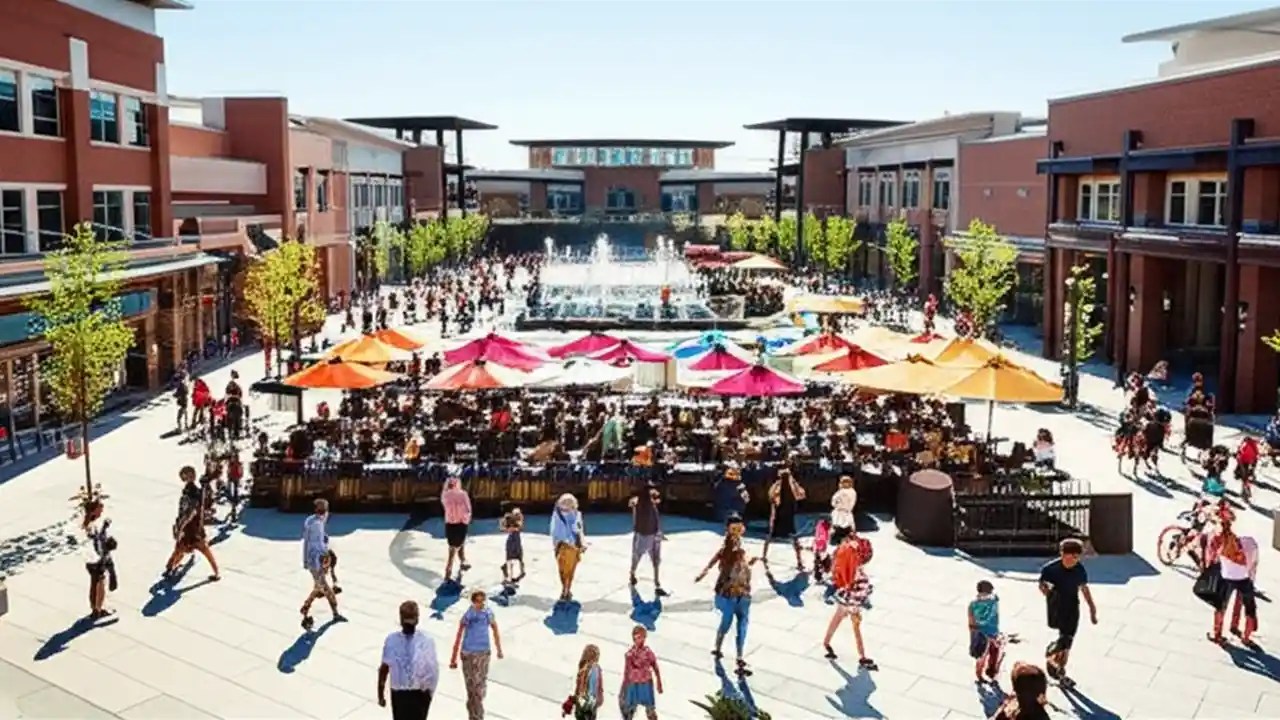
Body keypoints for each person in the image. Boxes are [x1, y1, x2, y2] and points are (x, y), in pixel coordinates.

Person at [695, 513, 756, 676]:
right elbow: (719, 559)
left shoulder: (741, 547)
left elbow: (742, 566)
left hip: (743, 592)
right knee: (726, 623)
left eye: (739, 528)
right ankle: (718, 647)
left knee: (742, 626)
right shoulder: (729, 548)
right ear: (728, 530)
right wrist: (704, 572)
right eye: (733, 529)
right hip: (729, 594)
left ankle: (740, 657)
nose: (737, 532)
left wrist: (750, 562)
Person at [1037, 538, 1097, 688]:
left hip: (1072, 606)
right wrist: (1046, 590)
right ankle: (1052, 655)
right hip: (1056, 606)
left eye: (1078, 557)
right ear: (1063, 554)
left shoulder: (1079, 570)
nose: (1075, 560)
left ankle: (1060, 671)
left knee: (1067, 641)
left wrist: (1092, 608)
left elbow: (1084, 588)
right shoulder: (1050, 569)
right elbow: (1042, 585)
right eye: (1073, 556)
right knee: (1064, 641)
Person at [1204, 505, 1260, 645]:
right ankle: (1246, 637)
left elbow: (1210, 559)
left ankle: (1217, 635)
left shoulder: (1217, 539)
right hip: (1244, 578)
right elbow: (1253, 558)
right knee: (1249, 608)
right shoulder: (1245, 539)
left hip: (1226, 577)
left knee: (1220, 607)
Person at [821, 530, 875, 669]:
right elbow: (862, 590)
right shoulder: (859, 572)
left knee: (837, 619)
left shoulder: (845, 560)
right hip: (852, 601)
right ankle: (862, 656)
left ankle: (826, 642)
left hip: (844, 597)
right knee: (856, 627)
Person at [379, 600, 439, 720]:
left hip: (403, 694)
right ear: (417, 619)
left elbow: (384, 669)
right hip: (417, 693)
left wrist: (380, 694)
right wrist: (429, 693)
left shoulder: (392, 640)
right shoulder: (427, 640)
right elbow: (433, 672)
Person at [449, 590, 503, 720]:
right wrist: (453, 657)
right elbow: (459, 634)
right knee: (472, 686)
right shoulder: (469, 615)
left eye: (482, 601)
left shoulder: (488, 613)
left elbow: (495, 629)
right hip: (468, 653)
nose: (480, 604)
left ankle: (475, 712)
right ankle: (475, 715)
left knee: (479, 685)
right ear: (473, 602)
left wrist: (499, 649)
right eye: (478, 601)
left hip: (483, 652)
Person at [163, 465, 221, 581]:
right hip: (194, 527)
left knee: (183, 548)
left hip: (191, 528)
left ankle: (170, 568)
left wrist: (181, 526)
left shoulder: (192, 492)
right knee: (200, 549)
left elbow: (190, 513)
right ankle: (216, 572)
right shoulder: (191, 492)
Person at [300, 498, 343, 629]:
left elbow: (312, 542)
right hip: (316, 561)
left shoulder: (314, 521)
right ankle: (335, 613)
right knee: (326, 589)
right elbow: (311, 543)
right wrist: (309, 560)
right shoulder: (315, 524)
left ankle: (306, 607)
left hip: (317, 560)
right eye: (325, 510)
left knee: (319, 587)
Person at [762, 468, 806, 571]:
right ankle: (799, 561)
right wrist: (794, 483)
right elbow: (802, 495)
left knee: (769, 537)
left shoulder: (778, 489)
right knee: (794, 540)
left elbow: (770, 496)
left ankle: (764, 556)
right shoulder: (792, 489)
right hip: (788, 518)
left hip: (778, 518)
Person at [619, 625, 663, 720]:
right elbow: (626, 672)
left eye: (640, 637)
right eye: (636, 638)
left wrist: (659, 682)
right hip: (633, 684)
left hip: (645, 683)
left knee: (650, 709)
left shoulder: (647, 652)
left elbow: (655, 666)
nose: (638, 640)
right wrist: (624, 688)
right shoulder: (630, 654)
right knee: (629, 710)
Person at [628, 482, 665, 595]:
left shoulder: (643, 502)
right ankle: (634, 574)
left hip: (649, 534)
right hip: (645, 534)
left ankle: (656, 582)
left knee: (650, 559)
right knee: (644, 558)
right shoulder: (641, 503)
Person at [82, 499, 116, 619]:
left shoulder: (88, 522)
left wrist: (104, 528)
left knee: (95, 583)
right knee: (99, 585)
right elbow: (97, 542)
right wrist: (107, 545)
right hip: (96, 560)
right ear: (94, 510)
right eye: (100, 509)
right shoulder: (91, 525)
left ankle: (95, 608)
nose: (102, 511)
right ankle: (98, 610)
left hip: (90, 559)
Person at [551, 494, 586, 603]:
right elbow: (579, 530)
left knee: (563, 570)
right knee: (569, 571)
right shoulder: (575, 514)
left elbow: (554, 531)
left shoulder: (557, 514)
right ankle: (566, 589)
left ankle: (565, 590)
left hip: (562, 546)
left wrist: (555, 544)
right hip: (571, 546)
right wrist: (582, 543)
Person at [969, 580, 1002, 682]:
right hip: (984, 634)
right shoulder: (976, 605)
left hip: (991, 632)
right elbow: (972, 621)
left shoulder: (990, 601)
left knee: (992, 654)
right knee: (983, 656)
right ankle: (980, 674)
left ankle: (991, 672)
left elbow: (971, 621)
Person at [441, 478, 473, 583]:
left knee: (453, 546)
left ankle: (453, 566)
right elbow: (468, 509)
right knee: (458, 544)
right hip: (460, 523)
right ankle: (452, 566)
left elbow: (445, 505)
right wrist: (466, 520)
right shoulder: (463, 494)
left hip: (450, 523)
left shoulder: (445, 495)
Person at [569, 644, 603, 720]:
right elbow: (579, 686)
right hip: (585, 702)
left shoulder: (594, 669)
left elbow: (598, 687)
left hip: (589, 702)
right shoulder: (584, 668)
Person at [500, 508, 525, 592]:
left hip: (516, 543)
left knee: (519, 559)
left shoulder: (518, 523)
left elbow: (519, 526)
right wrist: (508, 525)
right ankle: (508, 578)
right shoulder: (511, 523)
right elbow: (504, 528)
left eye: (519, 514)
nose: (518, 516)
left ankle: (516, 574)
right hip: (512, 543)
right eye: (516, 514)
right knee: (510, 561)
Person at [829, 475, 858, 547]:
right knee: (847, 532)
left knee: (838, 532)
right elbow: (852, 504)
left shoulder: (840, 492)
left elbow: (833, 503)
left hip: (839, 515)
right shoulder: (853, 492)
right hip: (847, 514)